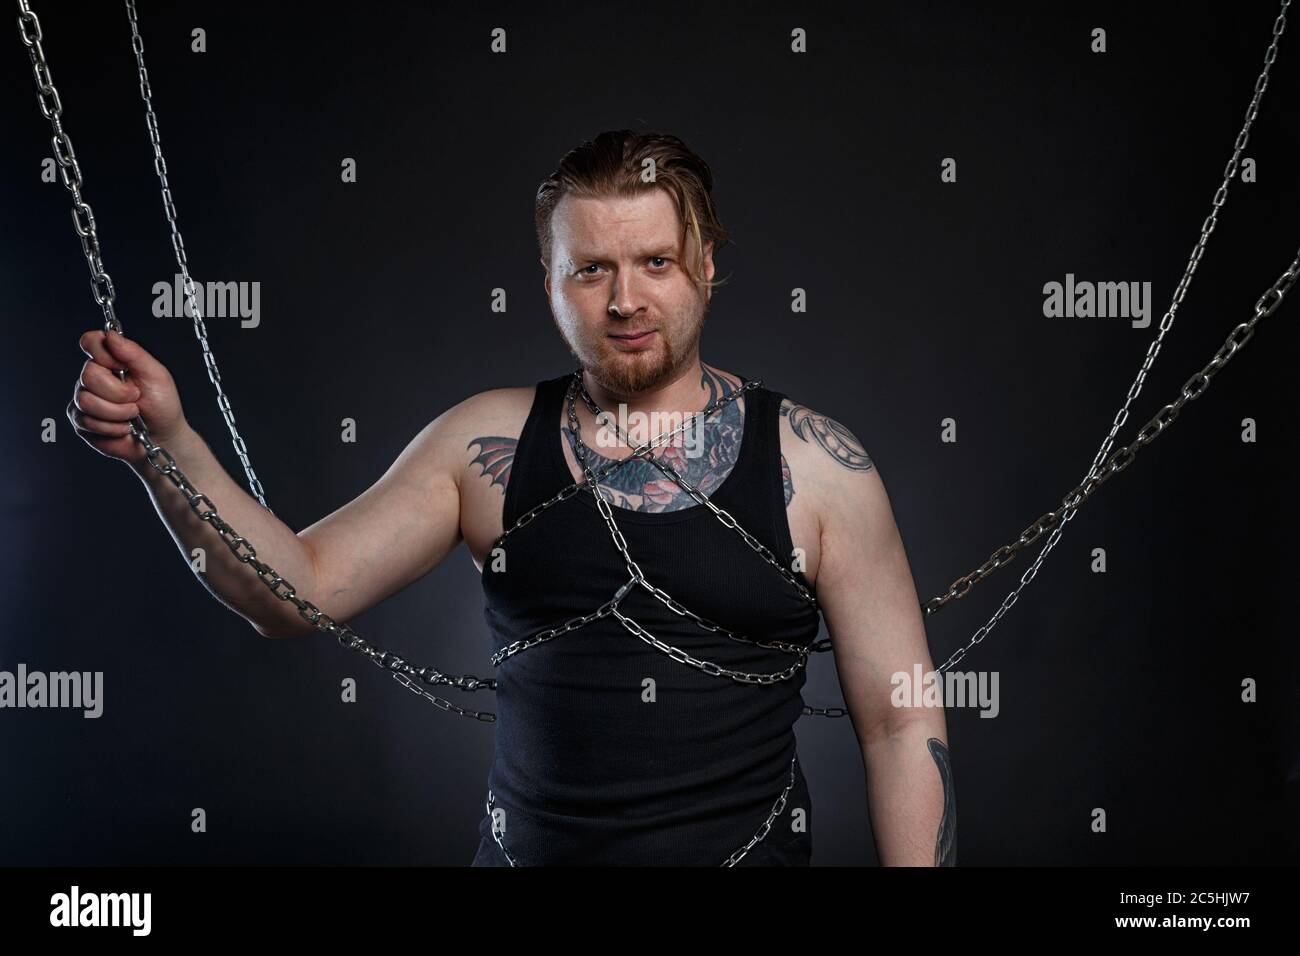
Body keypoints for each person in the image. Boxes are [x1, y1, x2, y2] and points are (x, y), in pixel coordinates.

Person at [66, 129, 954, 867]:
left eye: (656, 262)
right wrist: (168, 447)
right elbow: (294, 591)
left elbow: (900, 716)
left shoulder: (820, 466)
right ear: (548, 282)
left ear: (707, 265)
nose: (625, 300)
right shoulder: (482, 442)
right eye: (590, 270)